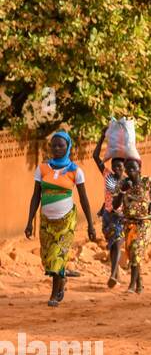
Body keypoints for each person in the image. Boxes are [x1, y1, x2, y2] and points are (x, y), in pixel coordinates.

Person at [26, 131, 97, 306]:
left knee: (58, 255)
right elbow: (36, 196)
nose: (57, 149)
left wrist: (90, 225)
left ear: (68, 147)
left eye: (61, 145)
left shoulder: (75, 171)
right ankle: (62, 280)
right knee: (48, 258)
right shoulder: (42, 168)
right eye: (54, 145)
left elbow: (84, 199)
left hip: (66, 221)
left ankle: (53, 295)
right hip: (46, 221)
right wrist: (29, 221)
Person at [112, 158, 151, 295]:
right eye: (128, 169)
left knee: (135, 248)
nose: (130, 171)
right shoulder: (123, 184)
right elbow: (115, 206)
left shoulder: (147, 181)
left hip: (144, 223)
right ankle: (139, 285)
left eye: (133, 168)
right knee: (133, 253)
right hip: (129, 224)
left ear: (139, 169)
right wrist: (122, 191)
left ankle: (132, 286)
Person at [91, 126, 126, 288]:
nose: (117, 169)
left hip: (121, 217)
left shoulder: (128, 181)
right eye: (115, 166)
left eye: (120, 167)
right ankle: (116, 273)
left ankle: (112, 275)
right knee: (112, 245)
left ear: (124, 167)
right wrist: (102, 136)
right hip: (107, 217)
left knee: (118, 243)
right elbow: (95, 156)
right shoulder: (107, 176)